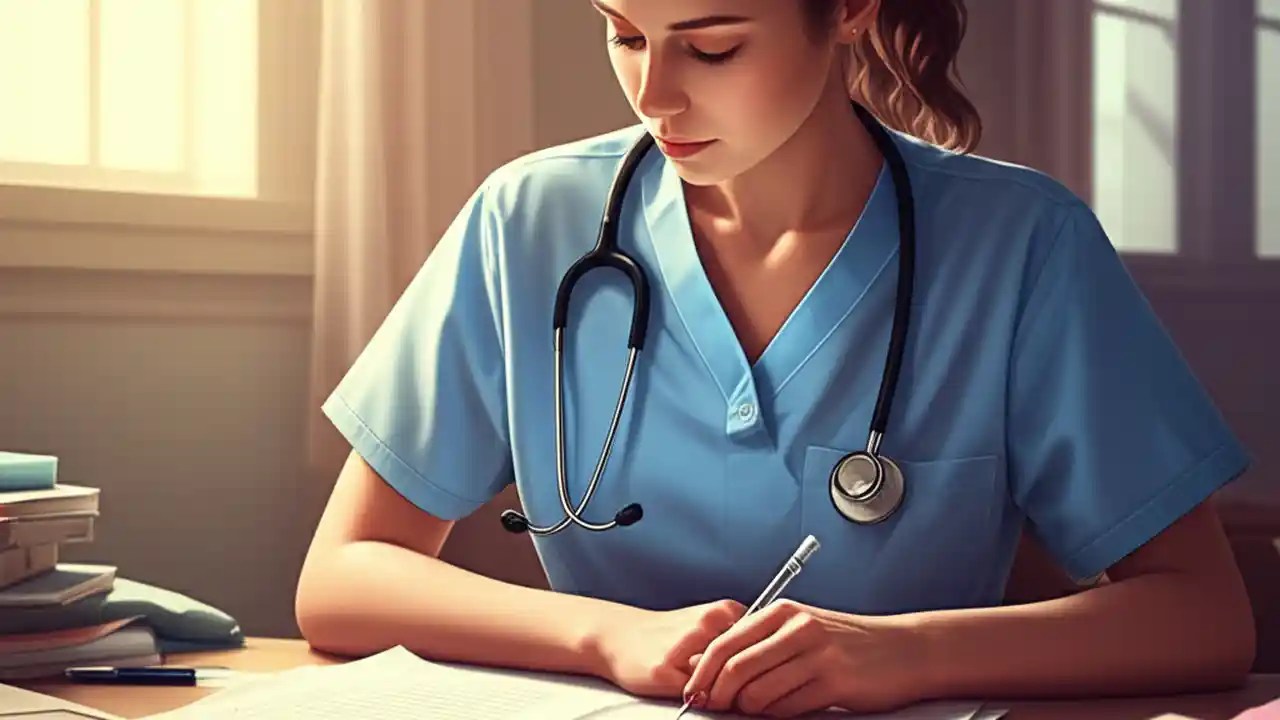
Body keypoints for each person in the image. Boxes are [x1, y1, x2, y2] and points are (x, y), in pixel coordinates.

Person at [295, 1, 1258, 716]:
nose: (654, 95)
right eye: (625, 34)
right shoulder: (528, 222)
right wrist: (609, 635)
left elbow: (1205, 619)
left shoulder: (1022, 244)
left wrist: (899, 657)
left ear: (848, 12)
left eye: (714, 46)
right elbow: (343, 579)